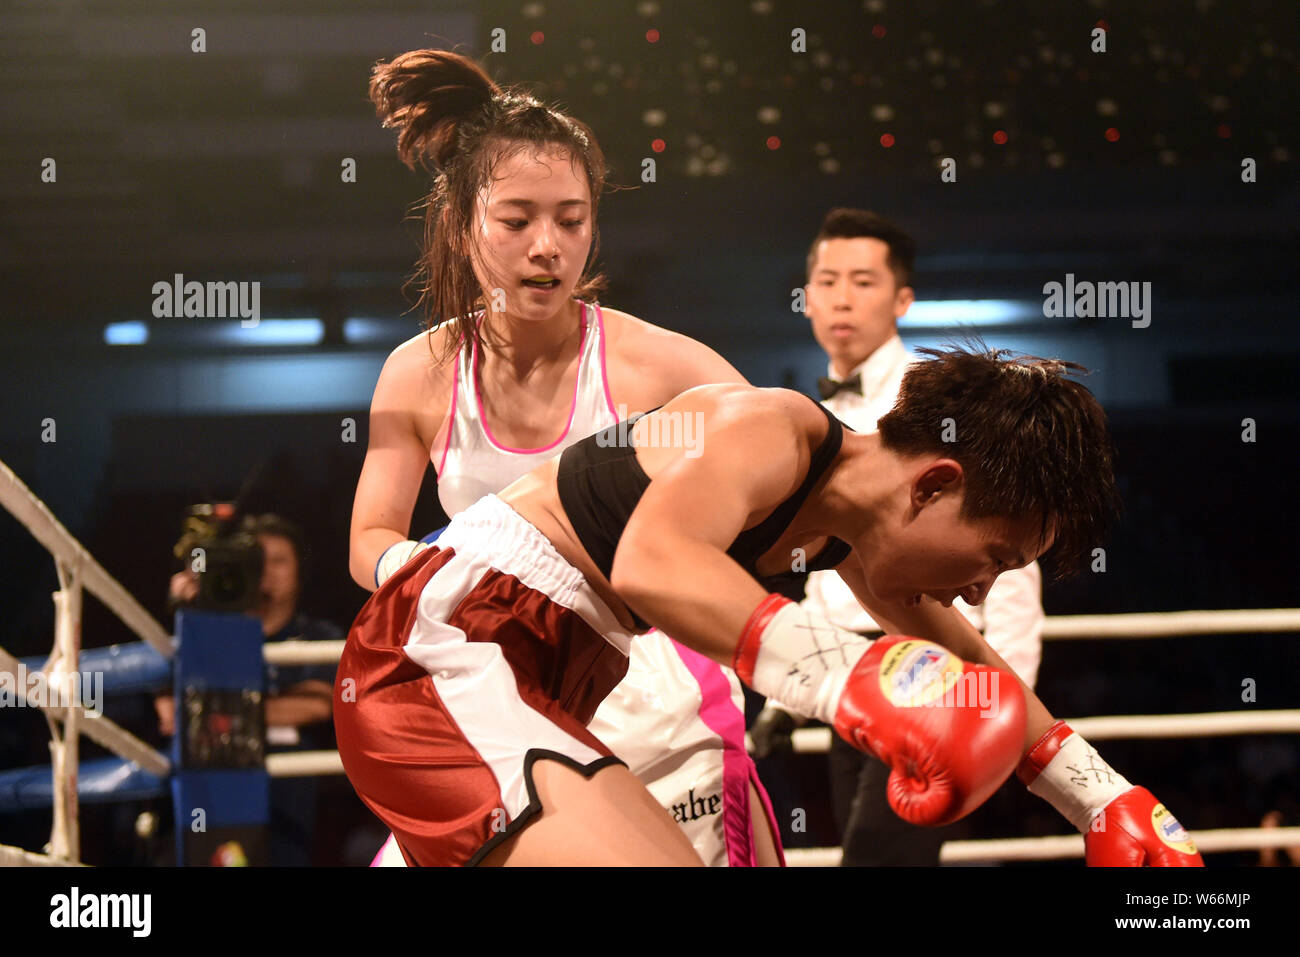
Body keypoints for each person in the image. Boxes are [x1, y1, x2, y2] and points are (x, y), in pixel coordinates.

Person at [335, 342, 1204, 867]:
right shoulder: (771, 427)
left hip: (539, 681)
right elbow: (655, 561)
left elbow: (989, 681)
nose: (983, 588)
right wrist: (848, 678)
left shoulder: (848, 534)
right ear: (935, 483)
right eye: (996, 557)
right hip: (451, 646)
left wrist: (1104, 798)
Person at [347, 49, 780, 866]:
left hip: (660, 705)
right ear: (463, 222)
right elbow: (368, 536)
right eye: (517, 220)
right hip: (492, 695)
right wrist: (447, 574)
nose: (547, 246)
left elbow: (796, 488)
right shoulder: (418, 374)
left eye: (572, 219)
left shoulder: (665, 367)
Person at [752, 208, 1045, 864]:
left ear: (903, 298)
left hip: (936, 668)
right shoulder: (808, 413)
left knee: (876, 861)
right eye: (827, 281)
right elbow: (824, 571)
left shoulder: (939, 404)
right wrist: (785, 693)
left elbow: (1008, 557)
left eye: (864, 281)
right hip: (842, 678)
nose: (842, 298)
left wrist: (1007, 714)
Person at [160, 513, 340, 866]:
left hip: (285, 799)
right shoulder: (207, 629)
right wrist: (184, 611)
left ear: (299, 573)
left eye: (279, 560)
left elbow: (319, 704)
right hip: (206, 789)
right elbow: (170, 714)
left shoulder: (320, 636)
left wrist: (214, 715)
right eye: (257, 560)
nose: (267, 570)